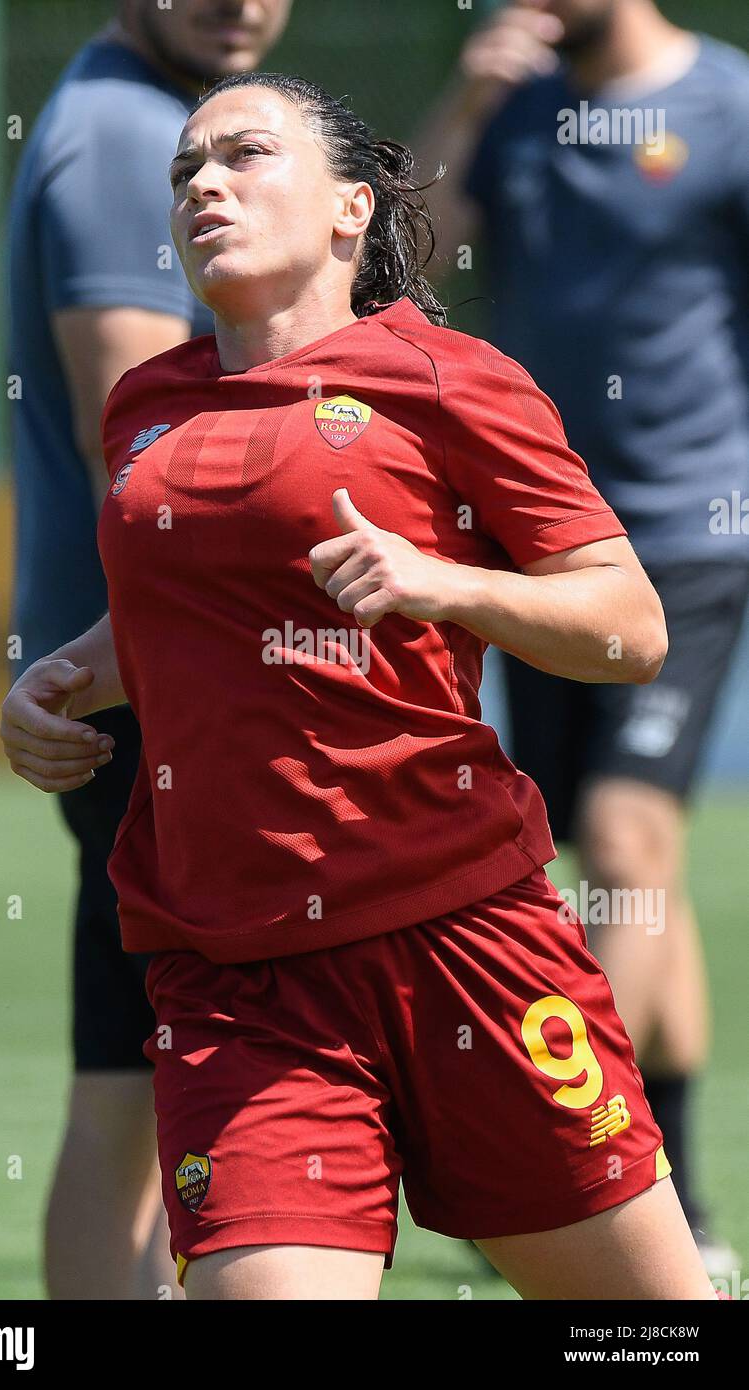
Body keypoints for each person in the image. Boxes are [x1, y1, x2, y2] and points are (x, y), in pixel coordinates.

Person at [1, 71, 719, 1301]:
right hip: (238, 978)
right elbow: (173, 616)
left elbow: (628, 625)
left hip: (469, 947)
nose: (203, 185)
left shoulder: (449, 378)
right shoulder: (145, 405)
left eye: (243, 155)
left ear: (348, 211)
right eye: (184, 171)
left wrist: (439, 582)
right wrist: (61, 678)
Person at [413, 0, 749, 1271]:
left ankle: (598, 1186)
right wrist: (461, 103)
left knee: (622, 836)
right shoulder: (510, 108)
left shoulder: (721, 106)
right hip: (542, 534)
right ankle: (688, 1192)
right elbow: (411, 260)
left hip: (691, 530)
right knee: (613, 869)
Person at [6, 0, 292, 1298]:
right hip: (159, 681)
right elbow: (138, 453)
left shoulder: (130, 112)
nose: (242, 2)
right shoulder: (127, 132)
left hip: (149, 673)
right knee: (178, 1080)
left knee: (131, 1075)